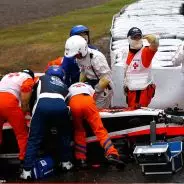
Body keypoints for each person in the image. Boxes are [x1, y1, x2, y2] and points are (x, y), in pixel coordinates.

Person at [20, 66, 73, 180]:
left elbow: (32, 96)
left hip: (42, 106)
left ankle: (27, 171)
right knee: (64, 136)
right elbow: (68, 104)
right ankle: (66, 163)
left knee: (34, 139)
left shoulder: (41, 79)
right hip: (61, 107)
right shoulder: (65, 86)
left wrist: (29, 111)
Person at [67, 82, 124, 168]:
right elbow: (94, 98)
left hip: (74, 102)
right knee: (99, 130)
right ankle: (112, 154)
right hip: (88, 101)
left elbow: (67, 102)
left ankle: (81, 159)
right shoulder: (88, 86)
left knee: (79, 131)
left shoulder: (70, 87)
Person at [64, 35, 113, 109]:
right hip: (92, 85)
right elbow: (83, 71)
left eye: (76, 55)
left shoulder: (96, 58)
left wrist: (94, 91)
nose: (75, 57)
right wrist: (81, 85)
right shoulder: (79, 57)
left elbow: (106, 78)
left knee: (98, 111)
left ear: (82, 49)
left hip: (103, 88)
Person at [0, 69, 35, 162]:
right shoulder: (28, 79)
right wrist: (23, 114)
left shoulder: (7, 75)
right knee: (22, 134)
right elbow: (24, 102)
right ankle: (24, 160)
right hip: (9, 102)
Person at [123, 27, 159, 109]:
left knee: (139, 115)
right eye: (134, 37)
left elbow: (153, 48)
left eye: (139, 37)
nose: (137, 39)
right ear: (129, 39)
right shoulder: (125, 52)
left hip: (142, 91)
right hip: (130, 90)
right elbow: (126, 72)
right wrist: (125, 86)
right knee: (131, 113)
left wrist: (154, 42)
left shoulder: (145, 51)